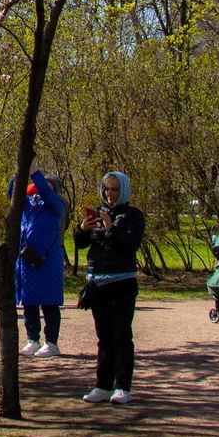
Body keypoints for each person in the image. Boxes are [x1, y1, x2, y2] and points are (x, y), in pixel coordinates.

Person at [74, 170, 145, 403]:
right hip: (98, 284)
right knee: (103, 336)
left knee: (121, 336)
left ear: (123, 190)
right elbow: (82, 244)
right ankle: (103, 384)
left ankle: (122, 385)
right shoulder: (98, 212)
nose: (110, 194)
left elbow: (130, 245)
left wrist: (111, 228)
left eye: (115, 189)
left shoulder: (132, 216)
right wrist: (81, 230)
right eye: (106, 189)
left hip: (121, 284)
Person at [15, 168, 67, 356]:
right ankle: (32, 339)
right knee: (29, 301)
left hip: (48, 261)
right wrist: (19, 173)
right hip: (27, 260)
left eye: (47, 186)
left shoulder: (56, 205)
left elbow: (47, 192)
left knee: (49, 302)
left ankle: (51, 342)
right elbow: (12, 192)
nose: (41, 188)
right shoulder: (30, 204)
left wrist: (35, 173)